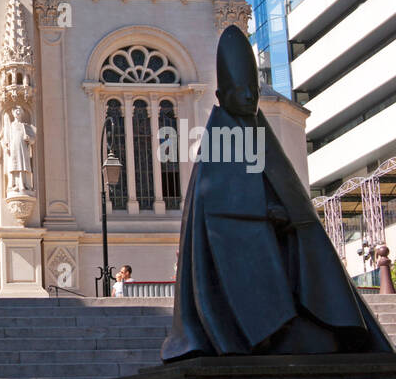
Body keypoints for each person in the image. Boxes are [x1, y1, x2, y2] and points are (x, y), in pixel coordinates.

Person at [162, 26, 391, 361]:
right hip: (245, 258)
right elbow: (219, 211)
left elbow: (294, 206)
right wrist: (262, 213)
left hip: (276, 253)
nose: (248, 98)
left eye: (253, 91)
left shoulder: (260, 139)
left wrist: (286, 215)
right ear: (222, 96)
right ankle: (262, 331)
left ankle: (311, 322)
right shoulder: (218, 151)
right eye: (240, 91)